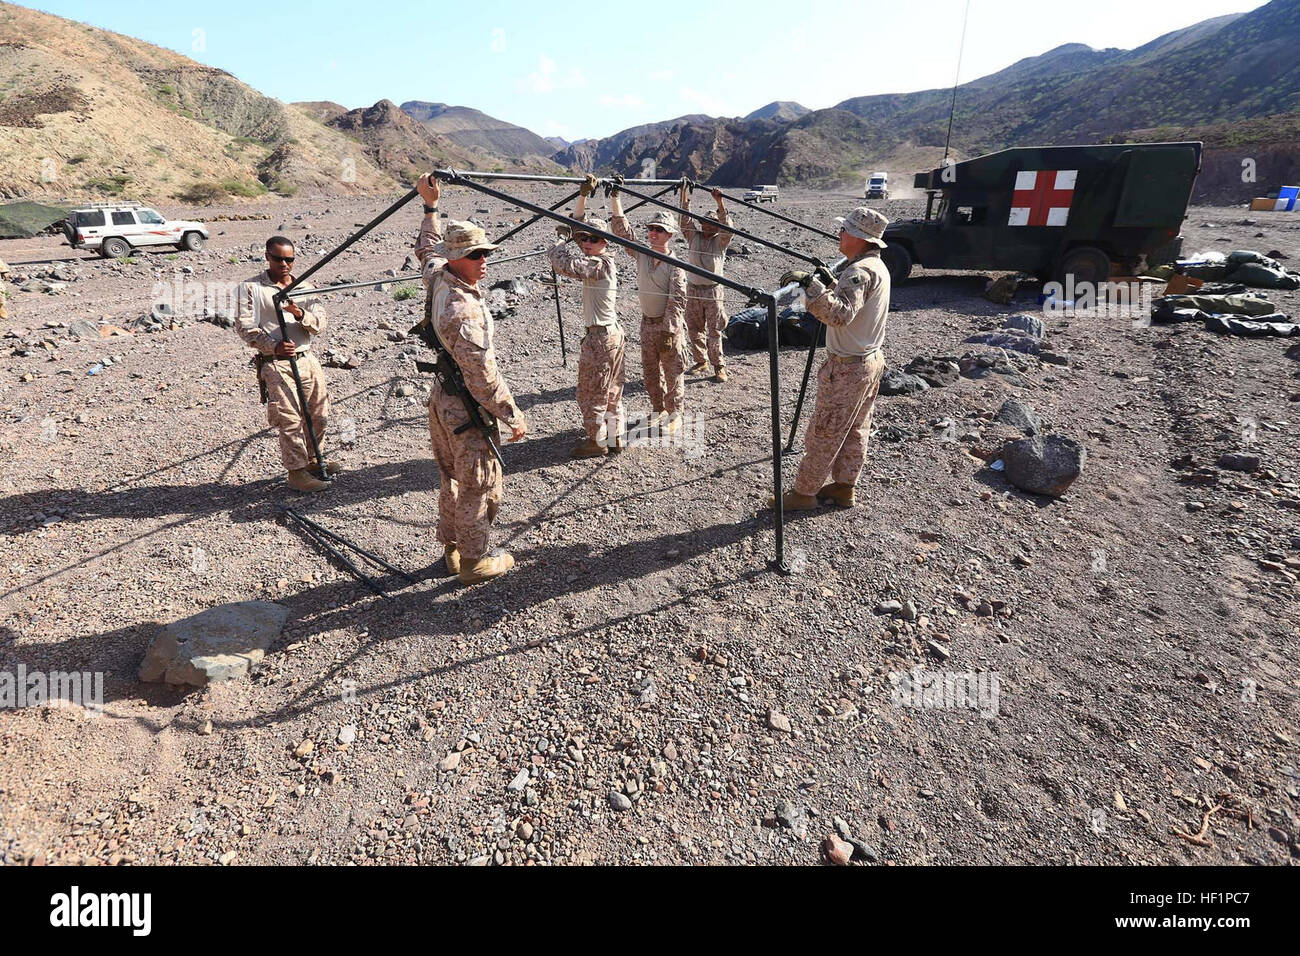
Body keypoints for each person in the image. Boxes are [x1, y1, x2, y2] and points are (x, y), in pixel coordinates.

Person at [415, 173, 527, 585]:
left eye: (485, 253)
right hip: (465, 405)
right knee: (477, 482)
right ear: (459, 257)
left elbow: (426, 247)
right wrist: (512, 414)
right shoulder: (464, 309)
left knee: (451, 478)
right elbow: (482, 377)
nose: (485, 261)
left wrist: (430, 206)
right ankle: (474, 560)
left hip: (442, 397)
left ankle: (451, 547)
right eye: (477, 255)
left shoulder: (439, 273)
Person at [776, 207, 892, 510]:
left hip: (848, 368)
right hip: (868, 362)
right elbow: (852, 303)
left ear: (858, 236)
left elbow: (839, 314)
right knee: (855, 428)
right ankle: (843, 487)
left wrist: (810, 286)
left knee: (824, 431)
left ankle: (803, 494)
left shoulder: (859, 271)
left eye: (845, 230)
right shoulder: (875, 266)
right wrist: (830, 284)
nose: (840, 234)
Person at [235, 237, 334, 493]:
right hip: (277, 363)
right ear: (267, 256)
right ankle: (296, 472)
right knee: (289, 419)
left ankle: (314, 460)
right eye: (278, 258)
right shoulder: (251, 288)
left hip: (306, 359)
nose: (284, 264)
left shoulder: (305, 285)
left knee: (319, 414)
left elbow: (321, 323)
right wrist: (273, 346)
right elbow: (245, 327)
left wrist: (301, 314)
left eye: (289, 259)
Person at [550, 175, 625, 458]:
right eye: (584, 239)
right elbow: (575, 228)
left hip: (601, 338)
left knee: (592, 392)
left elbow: (561, 263)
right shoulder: (601, 260)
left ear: (605, 241)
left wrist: (560, 241)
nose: (588, 243)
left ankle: (596, 442)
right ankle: (615, 436)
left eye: (595, 239)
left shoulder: (597, 264)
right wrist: (583, 196)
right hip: (611, 334)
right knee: (612, 389)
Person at [609, 181, 688, 434]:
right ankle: (658, 409)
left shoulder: (675, 266)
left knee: (673, 371)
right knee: (650, 372)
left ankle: (675, 414)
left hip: (667, 328)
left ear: (670, 235)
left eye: (659, 230)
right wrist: (615, 198)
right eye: (651, 229)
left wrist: (669, 332)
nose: (653, 233)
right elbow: (623, 232)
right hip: (647, 323)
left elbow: (678, 301)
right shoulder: (642, 253)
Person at [679, 182, 733, 382]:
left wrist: (719, 201)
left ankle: (719, 366)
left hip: (712, 291)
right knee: (694, 327)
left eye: (713, 223)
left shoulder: (721, 241)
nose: (708, 226)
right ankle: (701, 361)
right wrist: (685, 194)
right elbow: (684, 220)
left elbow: (728, 228)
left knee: (714, 330)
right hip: (692, 289)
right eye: (705, 223)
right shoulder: (694, 236)